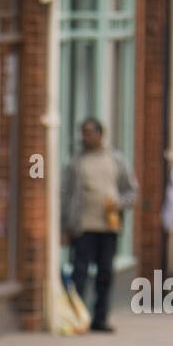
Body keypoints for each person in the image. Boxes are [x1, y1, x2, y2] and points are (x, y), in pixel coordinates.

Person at [61, 118, 139, 334]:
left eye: (89, 133)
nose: (85, 137)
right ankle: (78, 317)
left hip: (108, 227)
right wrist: (64, 226)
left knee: (105, 273)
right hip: (83, 227)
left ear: (100, 134)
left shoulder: (116, 159)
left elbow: (132, 191)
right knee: (79, 273)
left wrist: (119, 203)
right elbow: (65, 193)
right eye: (83, 133)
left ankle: (100, 318)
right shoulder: (76, 161)